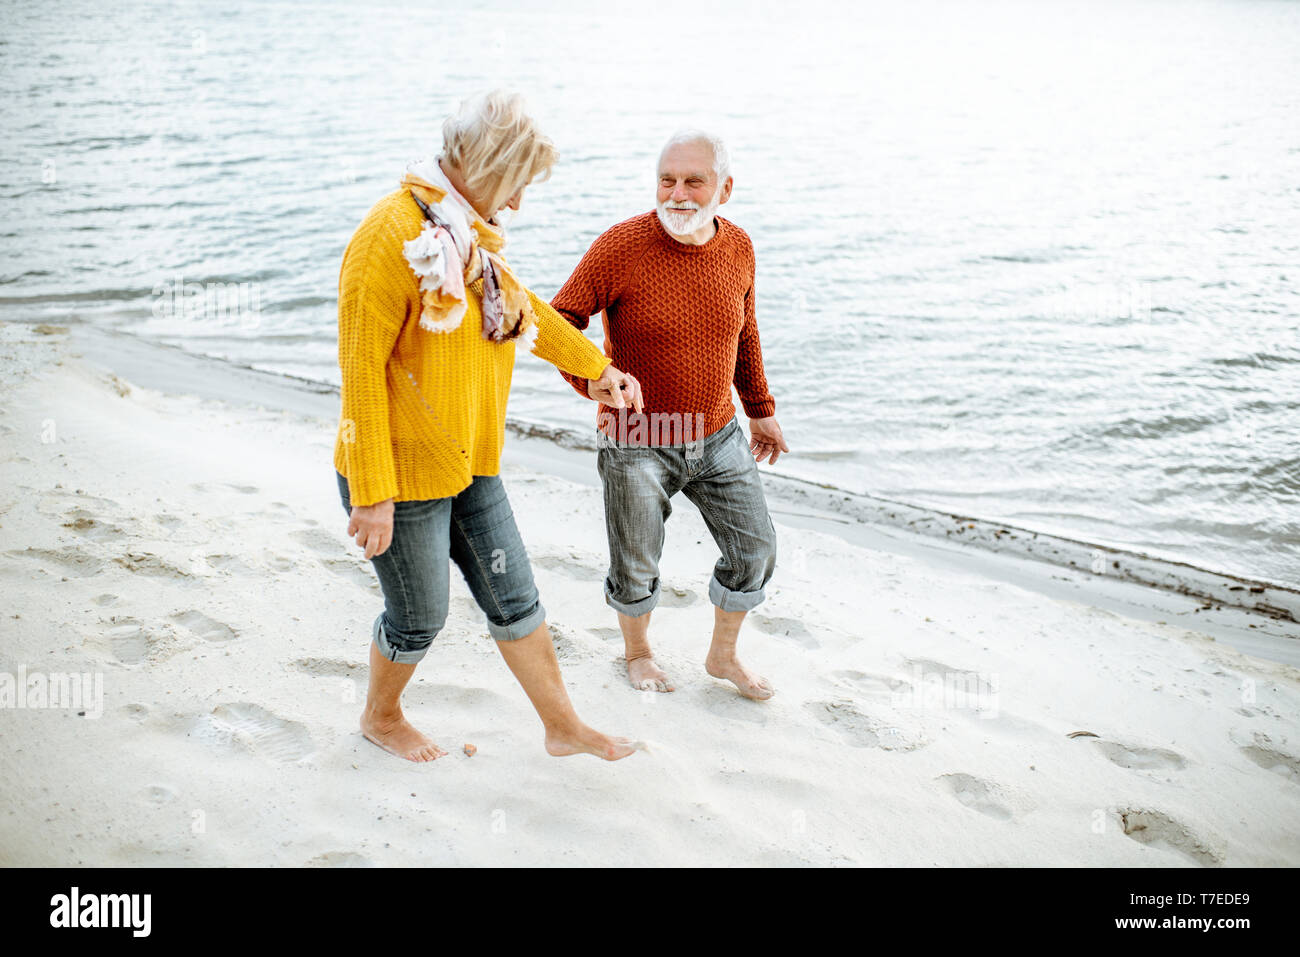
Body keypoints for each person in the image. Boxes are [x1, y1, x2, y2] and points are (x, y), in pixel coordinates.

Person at [333, 91, 645, 762]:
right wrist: (371, 492)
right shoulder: (391, 236)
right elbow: (360, 371)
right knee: (419, 617)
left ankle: (563, 726)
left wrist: (595, 368)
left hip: (471, 460)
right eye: (515, 184)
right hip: (400, 470)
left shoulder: (457, 230)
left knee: (515, 593)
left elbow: (521, 303)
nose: (520, 204)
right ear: (478, 162)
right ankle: (380, 717)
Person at [551, 129, 789, 701]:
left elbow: (744, 331)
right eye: (667, 179)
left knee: (755, 550)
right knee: (635, 563)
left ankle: (723, 655)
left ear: (724, 189)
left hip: (718, 432)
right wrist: (593, 381)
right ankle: (637, 654)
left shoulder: (739, 247)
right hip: (638, 436)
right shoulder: (620, 245)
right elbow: (560, 322)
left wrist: (759, 410)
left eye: (693, 181)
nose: (677, 193)